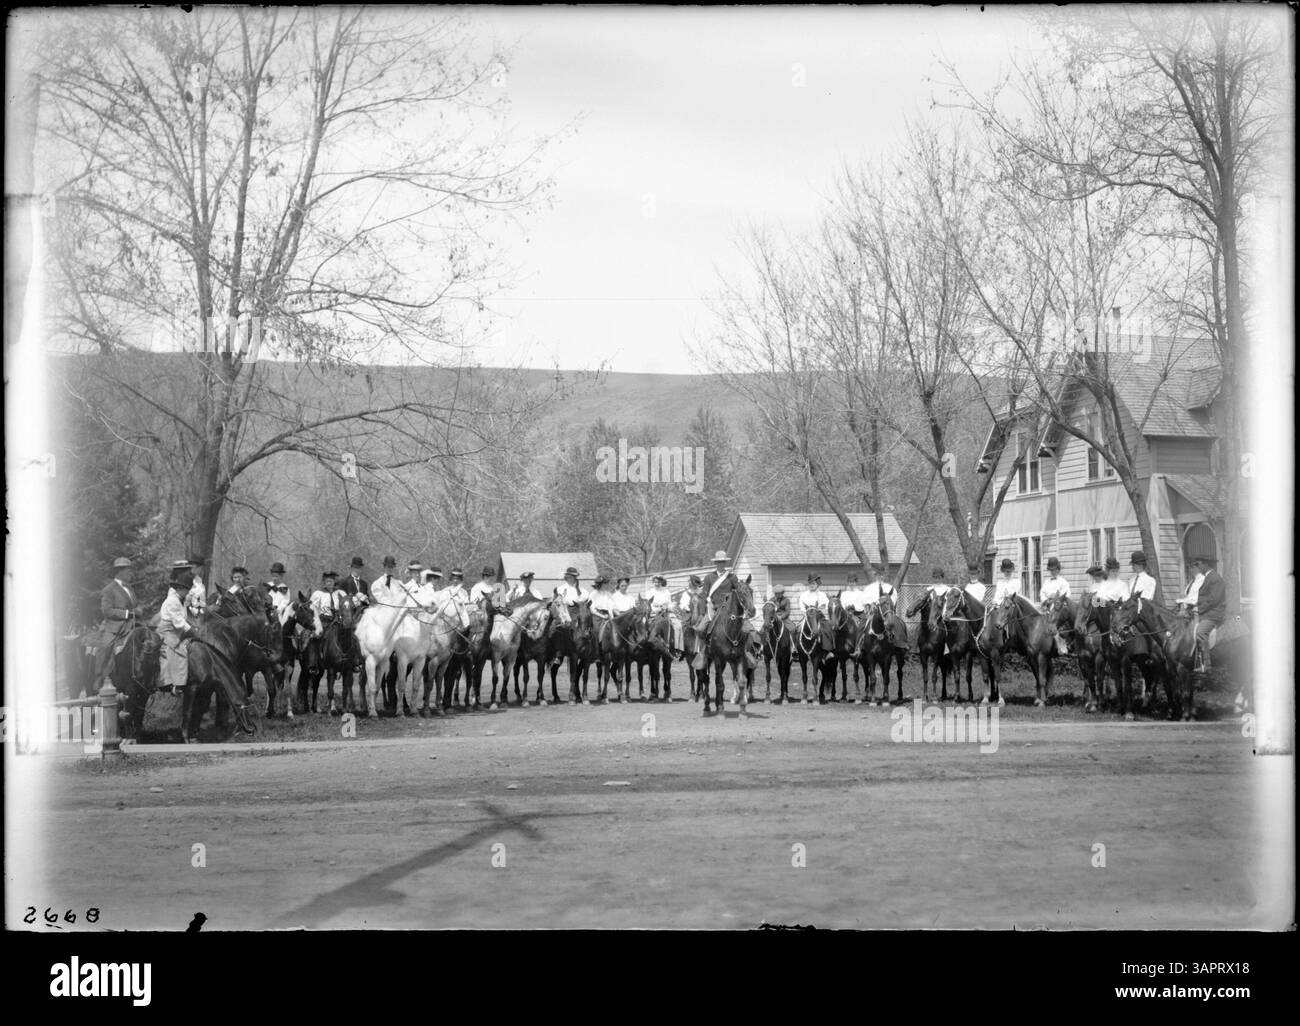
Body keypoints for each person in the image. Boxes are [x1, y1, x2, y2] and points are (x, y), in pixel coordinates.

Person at [89, 557, 143, 690]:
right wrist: (128, 613)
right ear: (120, 572)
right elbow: (107, 611)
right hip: (115, 627)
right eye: (129, 571)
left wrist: (138, 610)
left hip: (134, 625)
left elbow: (134, 606)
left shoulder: (130, 588)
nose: (131, 574)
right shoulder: (109, 589)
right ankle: (99, 677)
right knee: (105, 646)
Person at [159, 569, 197, 695]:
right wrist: (193, 631)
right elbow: (178, 622)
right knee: (180, 651)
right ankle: (172, 684)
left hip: (176, 631)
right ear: (180, 589)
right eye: (186, 589)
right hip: (167, 631)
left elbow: (185, 618)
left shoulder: (181, 601)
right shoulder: (172, 601)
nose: (187, 592)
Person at [1188, 554, 1226, 672]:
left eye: (1199, 564)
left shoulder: (1215, 579)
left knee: (1200, 632)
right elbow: (1205, 599)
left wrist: (1199, 609)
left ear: (1206, 564)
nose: (1197, 567)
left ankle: (1206, 665)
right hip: (1206, 611)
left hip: (1214, 613)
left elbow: (1213, 600)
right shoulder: (1208, 578)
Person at [1039, 557, 1071, 655]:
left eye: (1055, 569)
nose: (1053, 572)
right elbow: (1042, 593)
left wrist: (1055, 599)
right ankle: (1040, 644)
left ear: (1058, 569)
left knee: (1056, 621)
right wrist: (1045, 600)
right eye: (1051, 570)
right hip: (1047, 605)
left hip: (1058, 607)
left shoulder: (1063, 582)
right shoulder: (1046, 582)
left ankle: (1061, 646)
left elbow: (1066, 595)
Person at [185, 554, 208, 619]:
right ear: (195, 566)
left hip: (196, 611)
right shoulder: (184, 578)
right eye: (201, 568)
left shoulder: (198, 580)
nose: (201, 570)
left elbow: (201, 600)